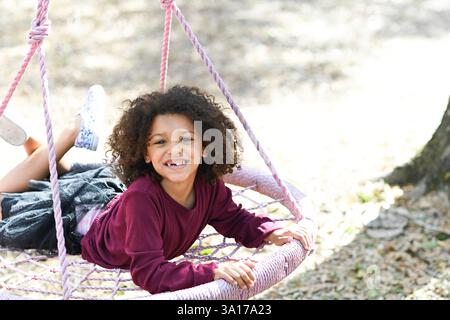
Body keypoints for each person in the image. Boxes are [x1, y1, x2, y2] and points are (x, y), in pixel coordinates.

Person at [0, 85, 312, 294]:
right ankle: (69, 133)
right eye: (161, 142)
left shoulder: (208, 184)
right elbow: (149, 273)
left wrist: (271, 231)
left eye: (186, 139)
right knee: (9, 200)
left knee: (64, 179)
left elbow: (236, 219)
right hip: (82, 227)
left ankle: (36, 144)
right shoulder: (142, 198)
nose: (174, 150)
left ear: (205, 148)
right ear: (145, 153)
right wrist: (212, 271)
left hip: (108, 203)